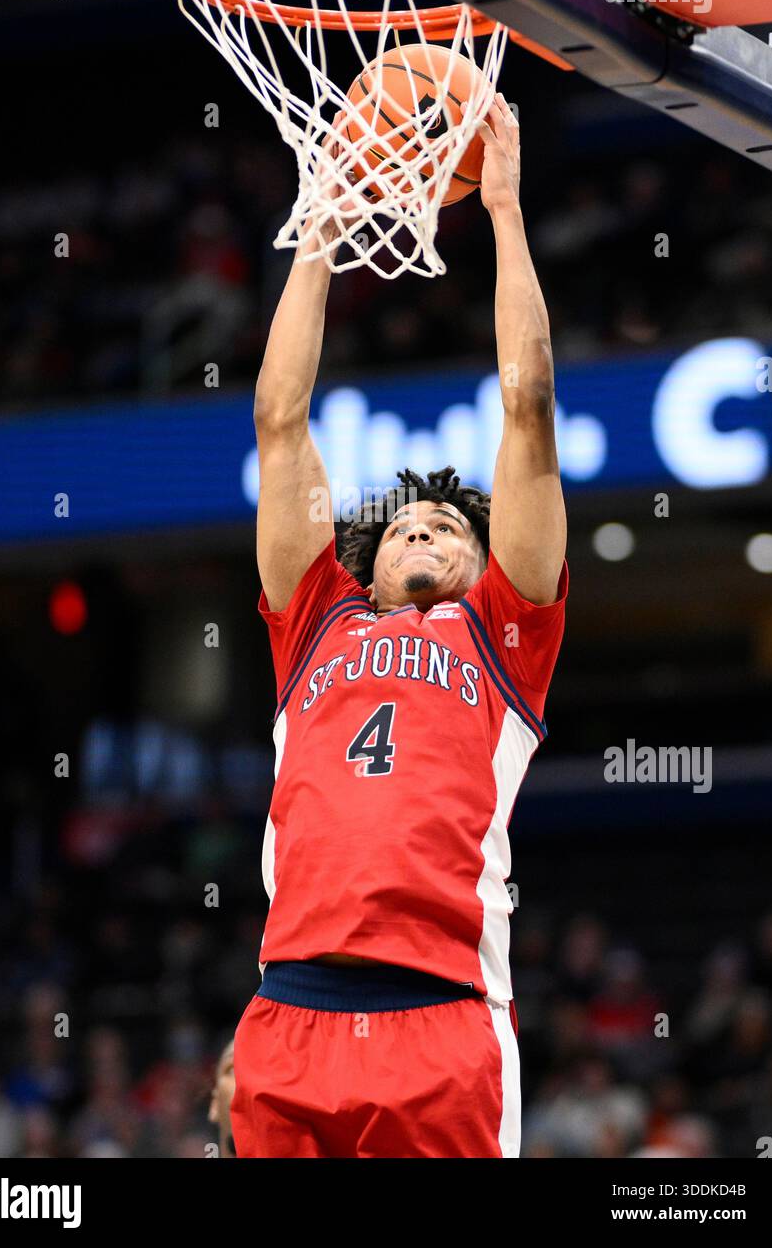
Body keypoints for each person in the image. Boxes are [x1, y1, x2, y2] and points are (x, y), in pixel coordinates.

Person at [233, 95, 568, 1158]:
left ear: (480, 569)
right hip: (290, 1007)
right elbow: (279, 421)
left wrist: (506, 213)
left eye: (447, 527)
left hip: (441, 1012)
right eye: (405, 524)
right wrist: (320, 223)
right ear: (364, 562)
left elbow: (528, 406)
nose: (423, 527)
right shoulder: (314, 624)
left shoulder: (502, 634)